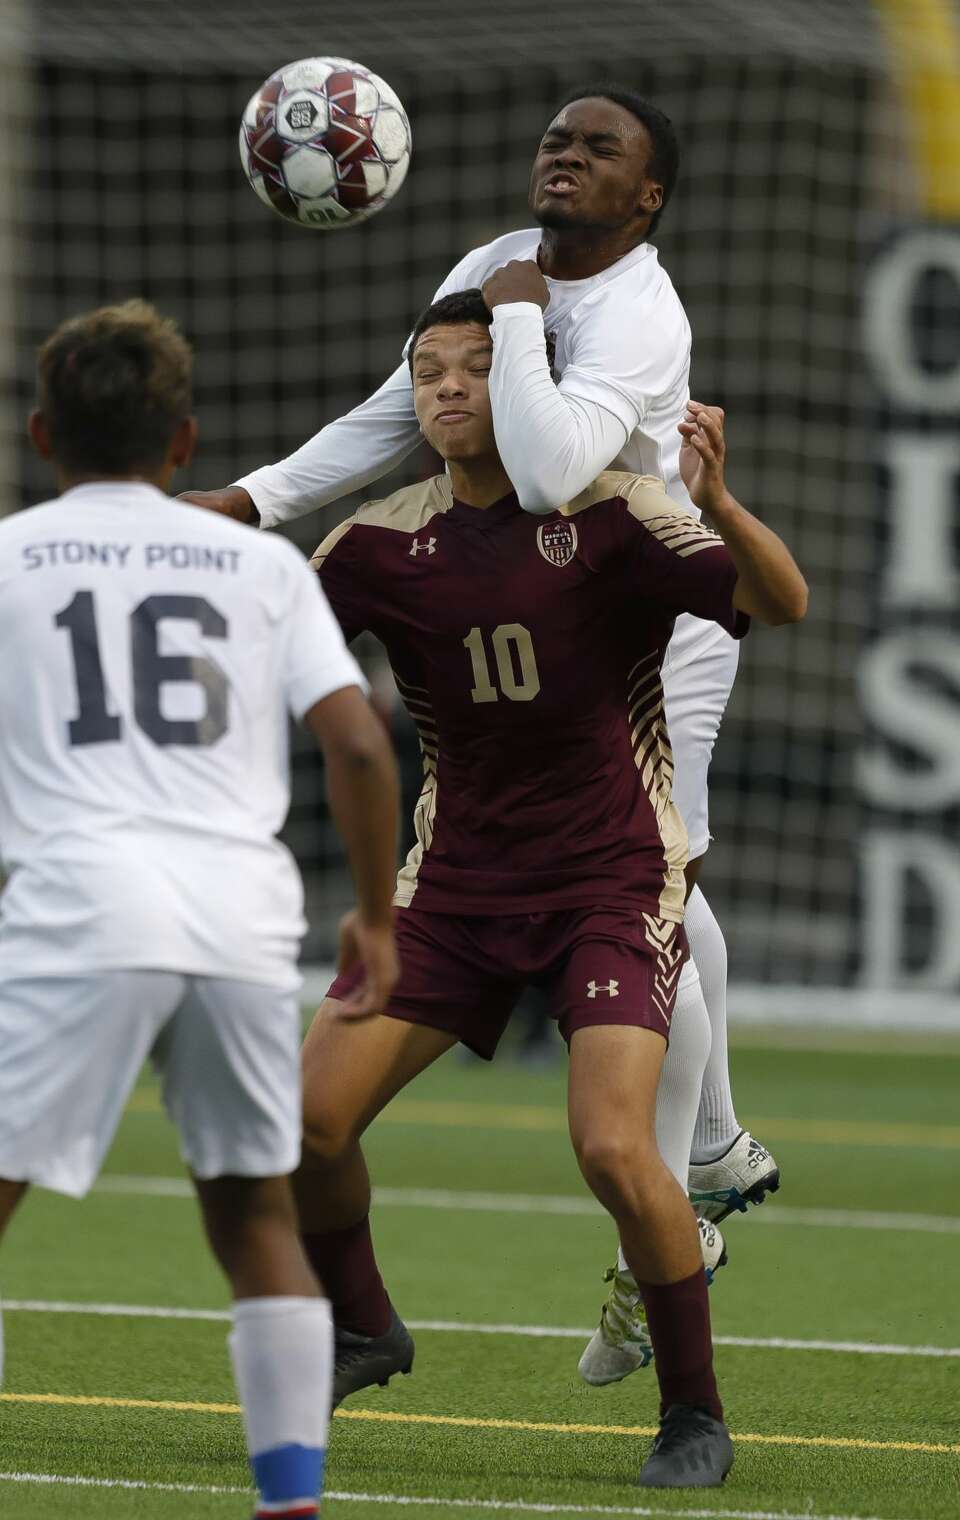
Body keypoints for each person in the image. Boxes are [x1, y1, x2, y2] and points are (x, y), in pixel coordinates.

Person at [183, 87, 779, 1377]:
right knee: (674, 882)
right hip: (519, 617)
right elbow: (401, 413)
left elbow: (560, 467)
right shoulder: (487, 271)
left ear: (649, 196)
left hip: (639, 614)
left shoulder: (635, 313)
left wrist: (514, 315)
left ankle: (666, 1226)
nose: (564, 155)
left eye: (599, 147)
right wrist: (256, 497)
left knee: (660, 871)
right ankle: (718, 1144)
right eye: (555, 139)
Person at [0, 299, 401, 1520]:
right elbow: (363, 749)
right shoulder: (265, 563)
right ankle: (291, 1505)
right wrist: (375, 915)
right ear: (184, 442)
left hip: (82, 908)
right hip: (238, 915)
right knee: (254, 1217)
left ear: (39, 433)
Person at [292, 289, 807, 1488]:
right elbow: (261, 645)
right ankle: (366, 1325)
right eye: (430, 372)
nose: (452, 387)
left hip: (608, 880)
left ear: (527, 390)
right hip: (456, 888)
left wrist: (719, 501)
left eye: (477, 365)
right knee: (304, 1121)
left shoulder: (616, 515)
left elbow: (780, 603)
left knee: (614, 1151)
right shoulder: (377, 543)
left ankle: (695, 1413)